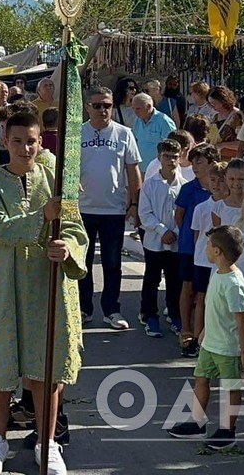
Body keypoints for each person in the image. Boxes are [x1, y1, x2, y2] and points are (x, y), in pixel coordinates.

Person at [0, 106, 85, 475]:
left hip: (44, 284)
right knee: (1, 364)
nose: (25, 148)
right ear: (5, 141)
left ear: (40, 142)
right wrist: (41, 217)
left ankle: (46, 442)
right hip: (3, 285)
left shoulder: (56, 180)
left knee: (44, 367)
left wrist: (67, 247)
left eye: (31, 141)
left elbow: (76, 229)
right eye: (17, 141)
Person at [167, 225, 244, 450]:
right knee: (201, 379)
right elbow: (215, 310)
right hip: (210, 344)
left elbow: (242, 321)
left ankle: (228, 430)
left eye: (208, 244)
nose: (205, 248)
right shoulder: (217, 273)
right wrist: (203, 333)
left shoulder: (234, 284)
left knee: (231, 388)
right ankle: (197, 423)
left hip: (227, 348)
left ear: (217, 251)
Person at [77, 86, 140, 329]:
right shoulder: (77, 133)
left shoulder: (124, 133)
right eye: (97, 105)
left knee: (112, 263)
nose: (103, 110)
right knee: (82, 262)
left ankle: (112, 309)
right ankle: (84, 308)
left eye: (107, 105)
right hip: (83, 209)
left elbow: (132, 170)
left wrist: (134, 203)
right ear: (87, 107)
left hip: (113, 209)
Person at [138, 139, 186, 339]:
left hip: (175, 242)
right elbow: (145, 213)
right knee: (152, 279)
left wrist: (174, 232)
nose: (171, 160)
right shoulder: (150, 184)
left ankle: (175, 314)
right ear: (159, 158)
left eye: (174, 157)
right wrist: (162, 230)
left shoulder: (183, 185)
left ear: (180, 158)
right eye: (166, 156)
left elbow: (184, 213)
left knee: (175, 281)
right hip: (154, 242)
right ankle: (150, 315)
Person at [175, 145, 218, 357]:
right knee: (188, 286)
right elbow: (179, 216)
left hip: (212, 252)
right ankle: (186, 329)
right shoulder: (188, 188)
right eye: (193, 162)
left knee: (205, 293)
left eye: (199, 162)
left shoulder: (219, 190)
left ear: (212, 163)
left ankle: (204, 333)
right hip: (189, 247)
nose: (194, 167)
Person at [130, 92, 175, 170]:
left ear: (148, 106)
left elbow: (172, 146)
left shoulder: (164, 121)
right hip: (141, 168)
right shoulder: (137, 121)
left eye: (138, 109)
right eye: (133, 108)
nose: (135, 112)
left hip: (159, 169)